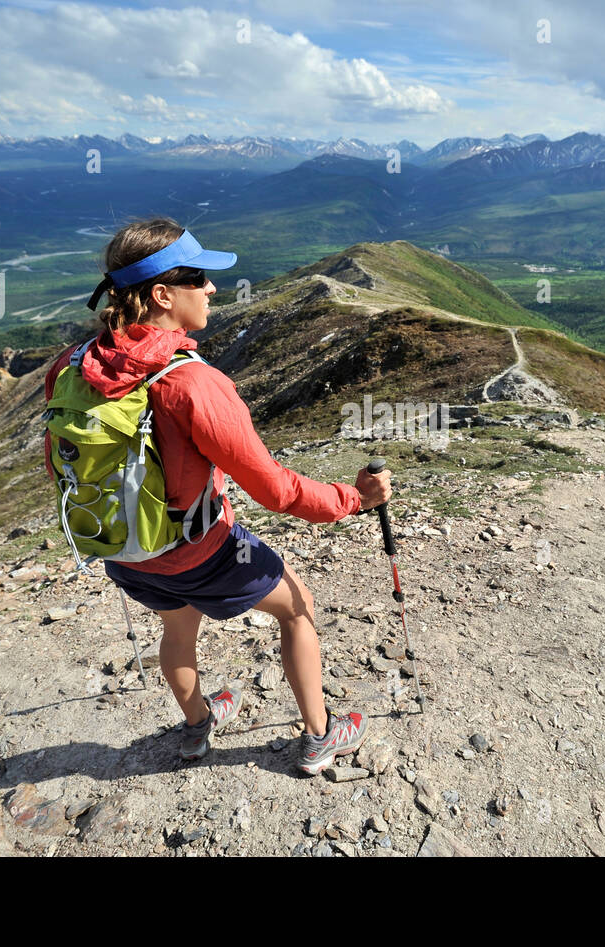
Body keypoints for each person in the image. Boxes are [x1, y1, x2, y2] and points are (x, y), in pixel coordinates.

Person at [43, 217, 391, 776]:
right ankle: (321, 736)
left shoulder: (71, 365)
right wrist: (353, 499)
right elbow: (275, 490)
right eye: (199, 278)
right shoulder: (193, 383)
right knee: (298, 608)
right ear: (161, 294)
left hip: (122, 550)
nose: (210, 288)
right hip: (200, 551)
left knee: (177, 629)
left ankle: (197, 725)